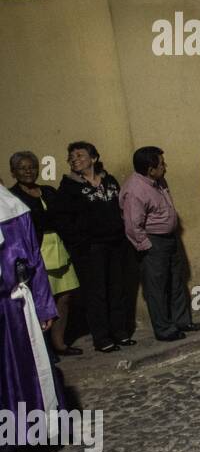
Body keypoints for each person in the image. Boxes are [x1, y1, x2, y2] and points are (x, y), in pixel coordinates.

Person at [0, 184, 68, 452]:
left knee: (18, 373)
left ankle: (21, 441)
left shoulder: (13, 211)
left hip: (13, 308)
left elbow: (34, 260)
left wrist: (43, 307)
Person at [52, 142, 135, 353]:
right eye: (71, 156)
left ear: (94, 158)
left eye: (80, 155)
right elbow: (63, 221)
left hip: (115, 244)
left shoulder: (109, 180)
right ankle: (102, 338)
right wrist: (81, 243)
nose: (74, 159)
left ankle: (121, 333)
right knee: (96, 293)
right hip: (90, 250)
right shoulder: (68, 188)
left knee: (117, 288)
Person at [120, 146, 200, 343]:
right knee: (156, 287)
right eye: (161, 164)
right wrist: (146, 246)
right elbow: (132, 225)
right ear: (150, 169)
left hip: (170, 238)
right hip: (153, 241)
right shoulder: (135, 190)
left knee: (176, 281)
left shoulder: (158, 181)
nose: (165, 167)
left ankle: (181, 321)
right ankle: (164, 329)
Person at [9, 151, 81, 355]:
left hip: (58, 246)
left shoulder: (48, 191)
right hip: (35, 250)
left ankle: (60, 343)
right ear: (13, 172)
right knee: (41, 299)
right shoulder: (12, 196)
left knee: (65, 296)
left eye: (32, 166)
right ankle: (44, 349)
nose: (28, 171)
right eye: (22, 168)